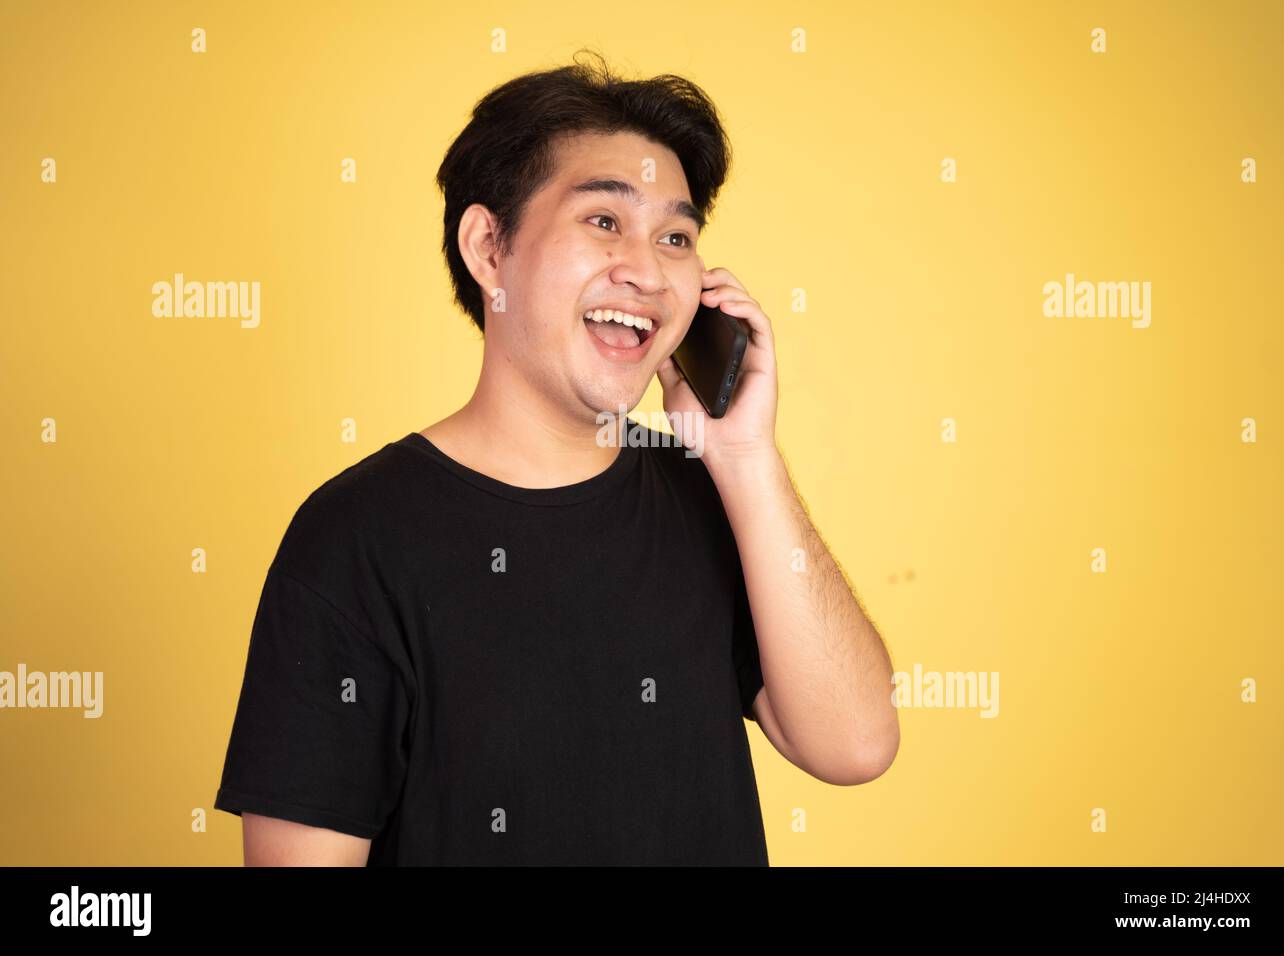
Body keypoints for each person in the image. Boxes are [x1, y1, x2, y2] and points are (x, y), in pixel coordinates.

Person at [213, 50, 899, 866]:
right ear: (488, 247)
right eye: (604, 221)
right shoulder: (353, 539)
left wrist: (745, 454)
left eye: (676, 236)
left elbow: (856, 745)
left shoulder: (710, 495)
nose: (645, 270)